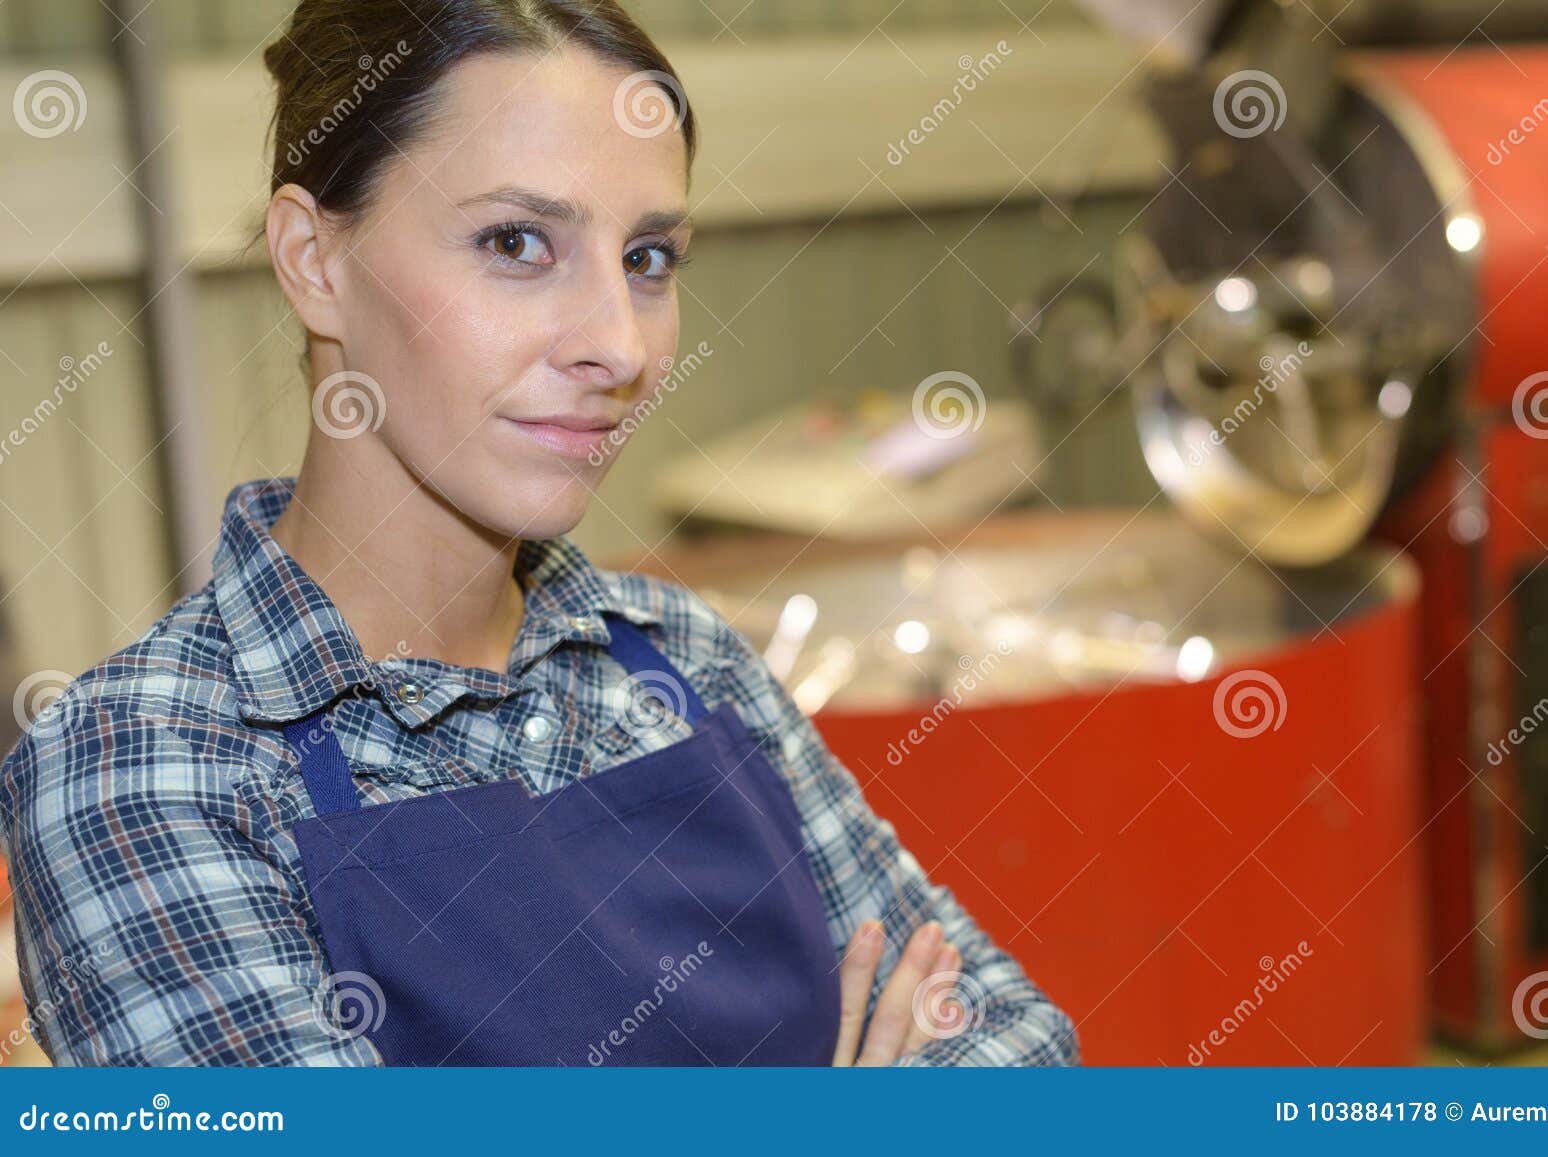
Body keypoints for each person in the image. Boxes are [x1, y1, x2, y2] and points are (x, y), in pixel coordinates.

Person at [0, 0, 1080, 1068]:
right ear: (313, 261)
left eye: (649, 259)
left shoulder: (681, 655)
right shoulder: (141, 764)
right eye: (516, 242)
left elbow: (1020, 1046)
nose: (618, 343)